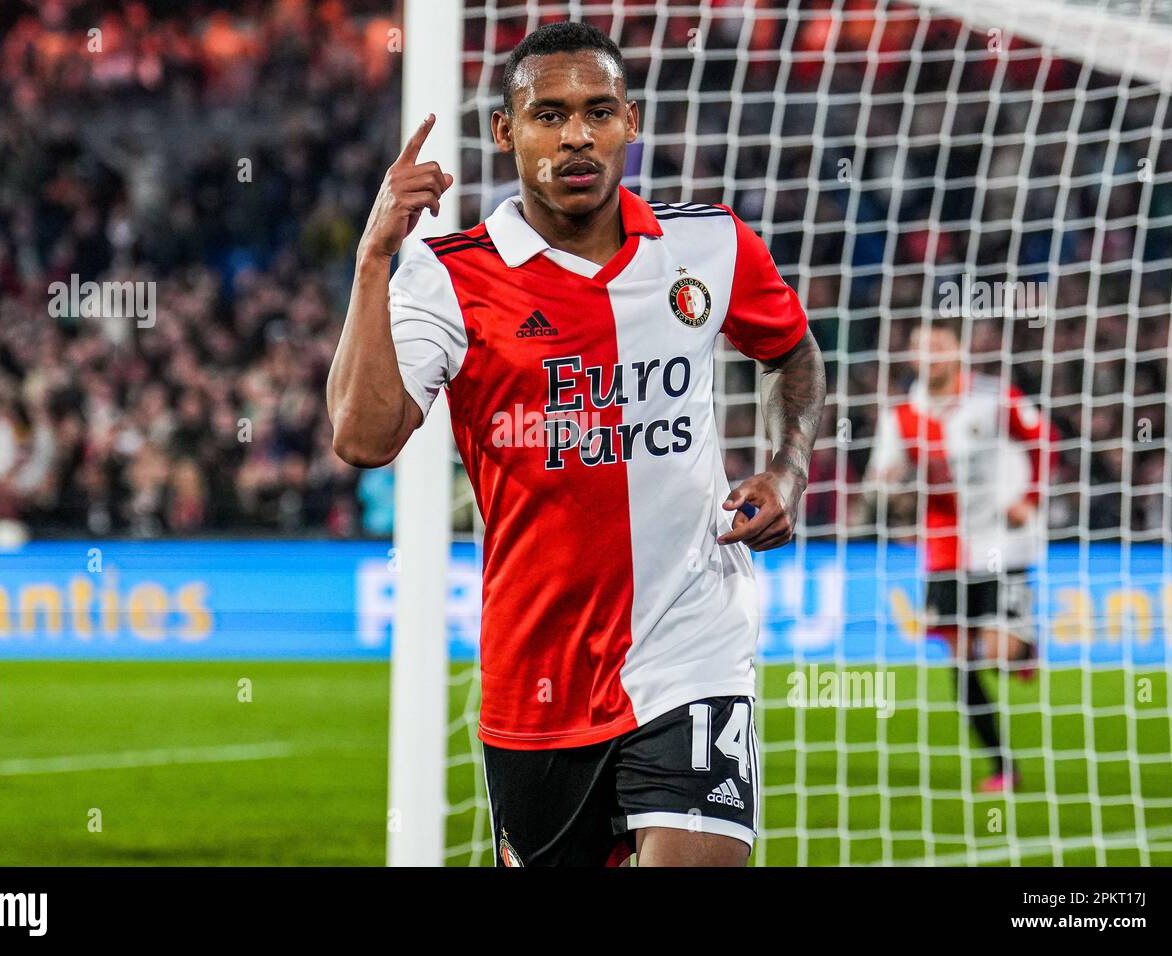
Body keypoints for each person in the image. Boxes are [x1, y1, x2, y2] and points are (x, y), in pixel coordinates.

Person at [327, 21, 825, 866]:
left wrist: (787, 466)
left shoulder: (709, 245)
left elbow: (792, 352)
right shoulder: (448, 275)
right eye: (548, 115)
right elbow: (363, 436)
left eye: (598, 112)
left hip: (691, 645)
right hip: (537, 677)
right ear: (505, 131)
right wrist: (375, 257)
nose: (575, 137)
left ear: (631, 121)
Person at [867, 317, 1056, 793]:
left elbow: (1044, 441)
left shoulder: (994, 398)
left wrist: (1028, 499)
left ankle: (1022, 649)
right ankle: (1003, 767)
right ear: (912, 358)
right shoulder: (902, 417)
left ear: (956, 351)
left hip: (1002, 542)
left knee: (995, 652)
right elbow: (878, 483)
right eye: (920, 346)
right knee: (961, 662)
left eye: (938, 345)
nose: (929, 355)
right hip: (945, 551)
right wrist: (890, 490)